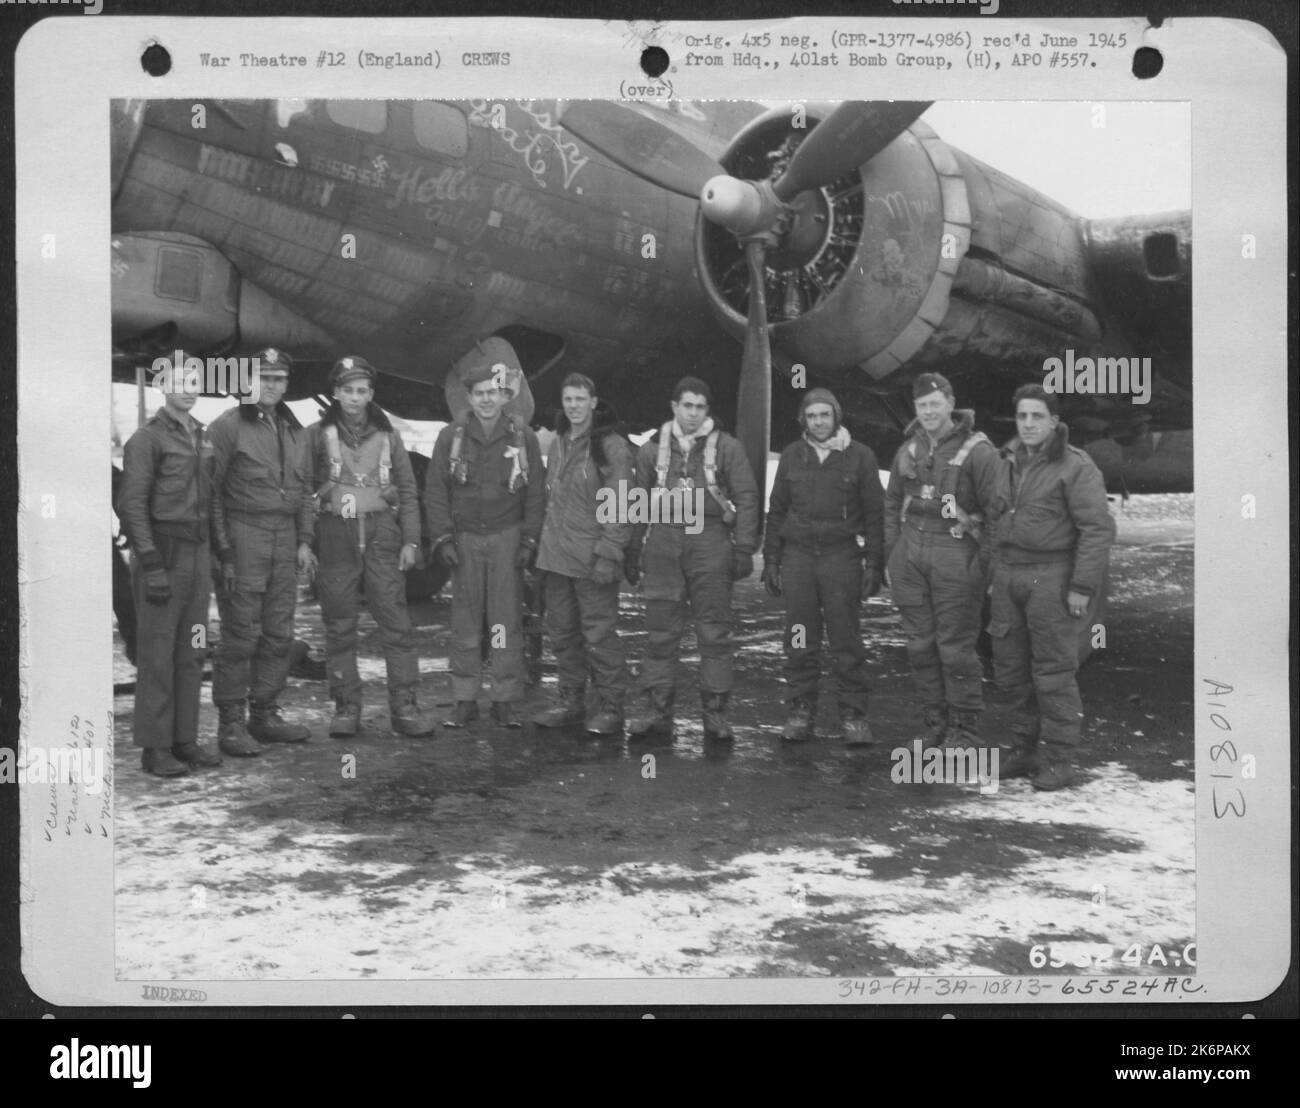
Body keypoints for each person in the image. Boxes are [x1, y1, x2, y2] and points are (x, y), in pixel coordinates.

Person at [985, 384, 1116, 790]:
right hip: (1009, 576)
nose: (1028, 424)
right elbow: (994, 519)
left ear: (1054, 421)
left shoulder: (1076, 466)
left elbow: (1097, 529)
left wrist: (1081, 586)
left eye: (1037, 416)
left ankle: (1059, 758)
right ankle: (1023, 749)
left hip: (1052, 576)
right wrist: (993, 575)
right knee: (1009, 670)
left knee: (1053, 671)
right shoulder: (1005, 461)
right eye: (1022, 416)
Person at [308, 356, 436, 738]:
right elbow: (302, 490)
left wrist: (412, 540)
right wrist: (304, 542)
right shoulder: (316, 435)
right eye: (347, 390)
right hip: (335, 536)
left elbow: (410, 491)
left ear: (371, 394)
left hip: (381, 535)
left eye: (361, 390)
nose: (354, 397)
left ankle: (405, 707)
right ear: (336, 393)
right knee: (339, 626)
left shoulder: (389, 436)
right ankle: (346, 707)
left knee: (396, 626)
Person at [625, 377, 759, 741]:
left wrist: (745, 547)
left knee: (714, 631)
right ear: (674, 407)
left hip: (709, 542)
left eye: (700, 407)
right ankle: (656, 710)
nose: (693, 414)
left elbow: (747, 496)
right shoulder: (652, 450)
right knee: (659, 633)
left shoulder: (726, 447)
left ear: (707, 411)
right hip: (664, 543)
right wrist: (633, 548)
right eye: (687, 406)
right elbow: (638, 500)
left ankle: (715, 715)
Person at [424, 347, 544, 728]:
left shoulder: (522, 437)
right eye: (479, 394)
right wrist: (442, 538)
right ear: (470, 397)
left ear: (504, 395)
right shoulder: (451, 437)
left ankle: (504, 699)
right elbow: (436, 492)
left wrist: (528, 540)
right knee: (465, 621)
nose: (487, 399)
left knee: (504, 621)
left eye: (493, 392)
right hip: (466, 540)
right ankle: (464, 697)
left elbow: (536, 494)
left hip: (506, 537)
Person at [116, 355, 220, 776]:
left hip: (197, 561)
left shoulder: (202, 437)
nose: (189, 387)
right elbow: (131, 506)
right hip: (164, 559)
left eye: (195, 379)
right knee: (157, 655)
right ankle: (155, 748)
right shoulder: (147, 440)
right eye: (180, 380)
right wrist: (152, 564)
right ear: (162, 386)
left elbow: (210, 501)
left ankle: (184, 739)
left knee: (193, 650)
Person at [209, 347, 317, 755]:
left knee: (279, 631)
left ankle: (265, 712)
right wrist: (225, 551)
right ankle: (231, 723)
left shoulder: (295, 429)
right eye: (263, 377)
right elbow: (212, 494)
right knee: (240, 635)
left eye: (279, 379)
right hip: (244, 534)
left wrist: (305, 541)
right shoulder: (226, 427)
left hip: (285, 538)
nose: (271, 386)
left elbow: (305, 491)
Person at [884, 372, 999, 749]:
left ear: (951, 403)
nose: (929, 412)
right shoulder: (909, 450)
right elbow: (891, 504)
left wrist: (984, 567)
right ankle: (935, 721)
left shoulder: (979, 451)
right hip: (911, 554)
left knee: (955, 648)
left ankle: (964, 730)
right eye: (922, 406)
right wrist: (893, 554)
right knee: (919, 644)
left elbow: (998, 513)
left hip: (956, 553)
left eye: (935, 404)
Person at [763, 388, 884, 745]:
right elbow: (777, 510)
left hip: (840, 558)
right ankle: (800, 711)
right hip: (799, 558)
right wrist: (772, 559)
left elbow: (875, 515)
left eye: (825, 415)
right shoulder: (791, 456)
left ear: (836, 417)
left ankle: (853, 716)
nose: (818, 422)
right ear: (804, 419)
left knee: (846, 639)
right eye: (812, 416)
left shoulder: (860, 457)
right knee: (800, 637)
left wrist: (874, 563)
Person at [532, 374, 635, 736]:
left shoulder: (612, 446)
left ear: (593, 402)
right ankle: (570, 700)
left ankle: (611, 706)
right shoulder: (559, 442)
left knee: (599, 635)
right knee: (562, 633)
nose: (574, 406)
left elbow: (620, 504)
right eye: (568, 400)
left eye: (580, 399)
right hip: (557, 558)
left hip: (591, 559)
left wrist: (610, 553)